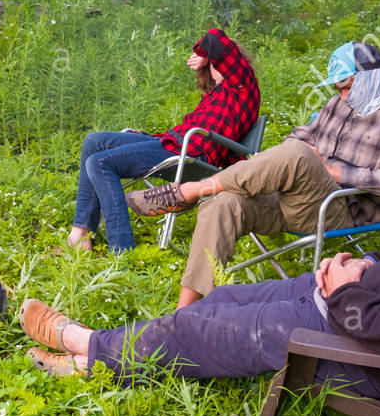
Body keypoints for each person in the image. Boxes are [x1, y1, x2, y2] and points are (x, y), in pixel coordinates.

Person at [21, 91, 380, 403]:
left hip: (364, 351)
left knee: (199, 330)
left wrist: (347, 292)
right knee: (221, 302)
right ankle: (103, 359)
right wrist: (367, 265)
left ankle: (84, 344)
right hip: (353, 300)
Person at [128, 41, 380, 309]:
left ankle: (190, 190)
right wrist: (299, 160)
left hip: (343, 210)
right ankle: (184, 314)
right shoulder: (337, 105)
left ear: (370, 77)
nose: (344, 96)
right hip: (295, 201)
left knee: (299, 154)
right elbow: (300, 136)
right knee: (225, 201)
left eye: (348, 87)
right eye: (339, 89)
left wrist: (333, 172)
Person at [66, 28, 261, 254]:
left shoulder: (242, 86)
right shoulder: (217, 93)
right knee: (94, 141)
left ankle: (122, 249)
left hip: (193, 154)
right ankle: (81, 232)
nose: (214, 67)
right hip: (174, 144)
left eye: (217, 62)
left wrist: (204, 53)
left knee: (100, 163)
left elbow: (214, 37)